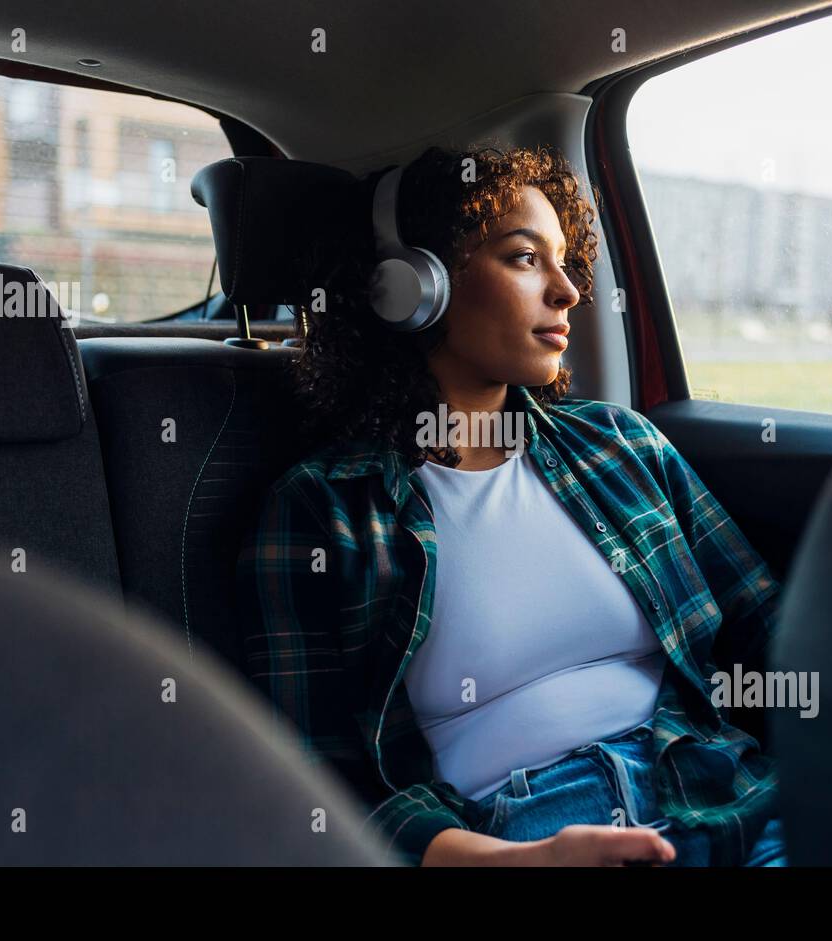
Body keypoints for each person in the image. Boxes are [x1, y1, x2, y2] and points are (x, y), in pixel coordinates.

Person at [237, 142, 785, 867]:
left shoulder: (621, 446)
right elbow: (314, 787)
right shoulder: (322, 510)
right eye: (525, 258)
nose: (567, 291)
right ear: (410, 286)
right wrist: (519, 862)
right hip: (515, 835)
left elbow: (768, 631)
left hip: (727, 797)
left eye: (565, 261)